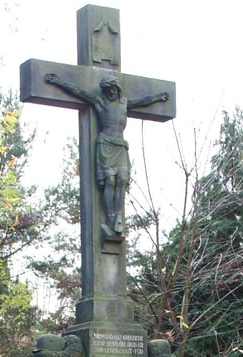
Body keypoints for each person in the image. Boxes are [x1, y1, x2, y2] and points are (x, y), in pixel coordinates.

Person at [44, 71, 169, 240]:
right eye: (108, 90)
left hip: (120, 146)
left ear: (118, 89)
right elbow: (79, 92)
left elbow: (143, 101)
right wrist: (58, 81)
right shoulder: (100, 102)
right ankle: (110, 217)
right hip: (106, 146)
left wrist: (158, 97)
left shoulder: (124, 103)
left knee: (122, 180)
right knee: (110, 181)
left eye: (113, 89)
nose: (111, 92)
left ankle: (117, 217)